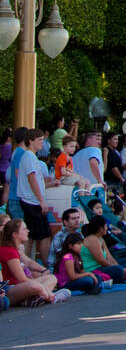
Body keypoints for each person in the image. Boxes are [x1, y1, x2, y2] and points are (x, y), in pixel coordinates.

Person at [0, 218, 70, 305]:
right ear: (15, 234)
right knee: (35, 286)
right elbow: (22, 279)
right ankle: (51, 297)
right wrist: (43, 289)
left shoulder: (14, 250)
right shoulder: (8, 251)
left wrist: (42, 272)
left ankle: (36, 298)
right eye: (24, 229)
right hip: (11, 289)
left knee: (52, 278)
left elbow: (28, 263)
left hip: (19, 287)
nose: (28, 231)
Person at [16, 129, 56, 263]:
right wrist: (41, 200)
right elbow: (32, 179)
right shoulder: (29, 157)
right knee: (44, 235)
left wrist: (49, 185)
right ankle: (46, 265)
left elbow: (35, 181)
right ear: (30, 141)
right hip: (32, 202)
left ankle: (26, 265)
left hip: (30, 201)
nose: (42, 143)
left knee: (30, 236)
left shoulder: (30, 157)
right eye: (39, 140)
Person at [81, 218, 126, 285]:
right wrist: (121, 269)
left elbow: (109, 258)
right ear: (100, 228)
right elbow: (101, 261)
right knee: (118, 270)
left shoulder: (100, 239)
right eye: (106, 226)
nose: (107, 228)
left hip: (101, 267)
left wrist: (121, 268)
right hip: (93, 270)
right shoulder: (92, 239)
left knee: (124, 261)